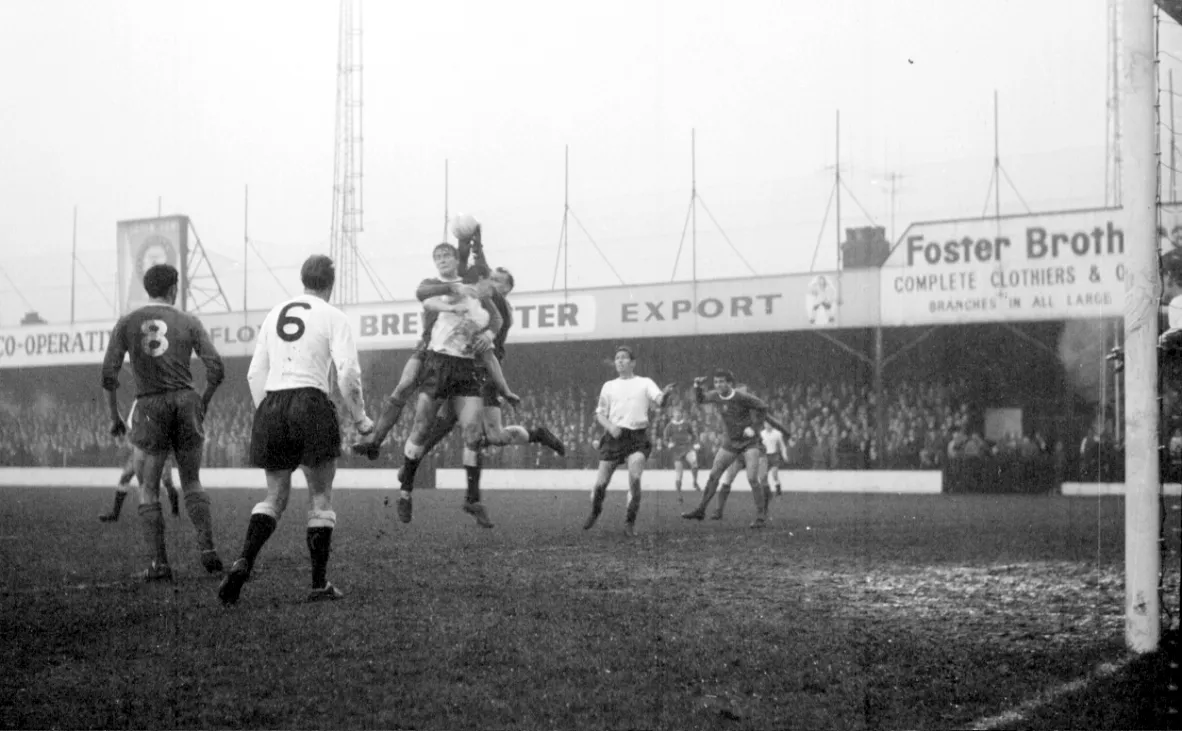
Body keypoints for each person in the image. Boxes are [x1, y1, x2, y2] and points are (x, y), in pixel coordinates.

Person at [218, 255, 373, 606]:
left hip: (273, 403)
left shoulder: (274, 313)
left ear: (302, 279)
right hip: (311, 401)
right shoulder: (334, 316)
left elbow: (254, 373)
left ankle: (244, 560)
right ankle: (319, 584)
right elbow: (347, 371)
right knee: (320, 496)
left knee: (273, 496)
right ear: (330, 285)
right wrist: (360, 418)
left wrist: (268, 413)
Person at [101, 263, 225, 581]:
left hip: (150, 404)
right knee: (192, 481)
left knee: (148, 487)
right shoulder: (188, 320)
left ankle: (160, 565)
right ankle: (208, 549)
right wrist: (204, 402)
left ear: (148, 288)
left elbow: (108, 374)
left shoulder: (127, 322)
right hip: (185, 402)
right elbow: (216, 368)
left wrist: (115, 417)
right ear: (174, 289)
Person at [385, 243, 506, 528]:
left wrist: (488, 334)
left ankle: (472, 498)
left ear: (456, 260)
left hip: (466, 367)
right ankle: (406, 492)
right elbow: (427, 301)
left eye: (446, 256)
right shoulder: (436, 286)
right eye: (437, 257)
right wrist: (451, 300)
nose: (442, 260)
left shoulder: (476, 291)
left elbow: (497, 319)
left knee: (473, 432)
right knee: (421, 427)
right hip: (438, 364)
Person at [582, 346, 675, 536]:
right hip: (614, 437)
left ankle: (629, 522)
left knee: (635, 478)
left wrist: (665, 395)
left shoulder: (644, 382)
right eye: (617, 358)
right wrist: (610, 427)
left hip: (637, 437)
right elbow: (600, 414)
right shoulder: (608, 385)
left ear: (633, 363)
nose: (620, 361)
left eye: (624, 358)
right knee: (600, 485)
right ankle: (596, 510)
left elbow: (660, 401)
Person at [682, 370, 789, 528]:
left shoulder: (742, 397)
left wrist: (754, 427)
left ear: (730, 383)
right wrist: (697, 386)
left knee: (752, 478)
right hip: (731, 442)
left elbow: (763, 407)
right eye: (716, 382)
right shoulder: (715, 395)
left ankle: (760, 517)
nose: (718, 385)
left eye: (721, 382)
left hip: (749, 443)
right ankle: (701, 510)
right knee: (714, 475)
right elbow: (701, 399)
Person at [662, 407, 700, 501]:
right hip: (676, 450)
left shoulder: (687, 424)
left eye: (679, 413)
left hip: (687, 447)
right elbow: (665, 439)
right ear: (673, 414)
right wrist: (668, 444)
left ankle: (695, 482)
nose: (678, 415)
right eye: (676, 413)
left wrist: (696, 443)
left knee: (694, 463)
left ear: (681, 414)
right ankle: (679, 494)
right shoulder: (670, 426)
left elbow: (694, 434)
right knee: (679, 473)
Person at [761, 420, 788, 496]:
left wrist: (784, 455)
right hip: (765, 456)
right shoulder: (762, 434)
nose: (767, 425)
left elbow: (782, 446)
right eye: (766, 424)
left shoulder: (777, 434)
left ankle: (778, 488)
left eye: (769, 424)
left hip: (774, 456)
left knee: (774, 474)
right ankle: (767, 491)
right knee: (763, 476)